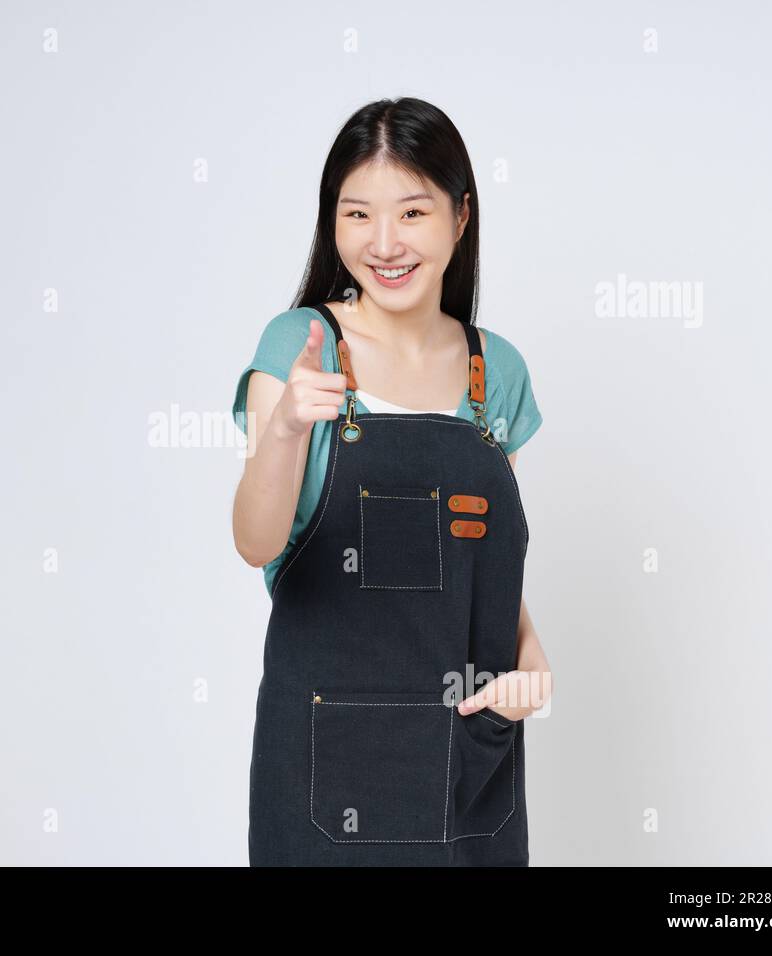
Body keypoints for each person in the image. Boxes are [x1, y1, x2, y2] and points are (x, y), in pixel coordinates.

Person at [230, 97, 553, 866]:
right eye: (357, 215)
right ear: (331, 222)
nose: (384, 244)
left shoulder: (494, 370)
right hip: (322, 758)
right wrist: (283, 430)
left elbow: (486, 555)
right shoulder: (303, 343)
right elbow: (254, 542)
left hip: (462, 747)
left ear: (459, 216)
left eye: (412, 212)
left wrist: (529, 656)